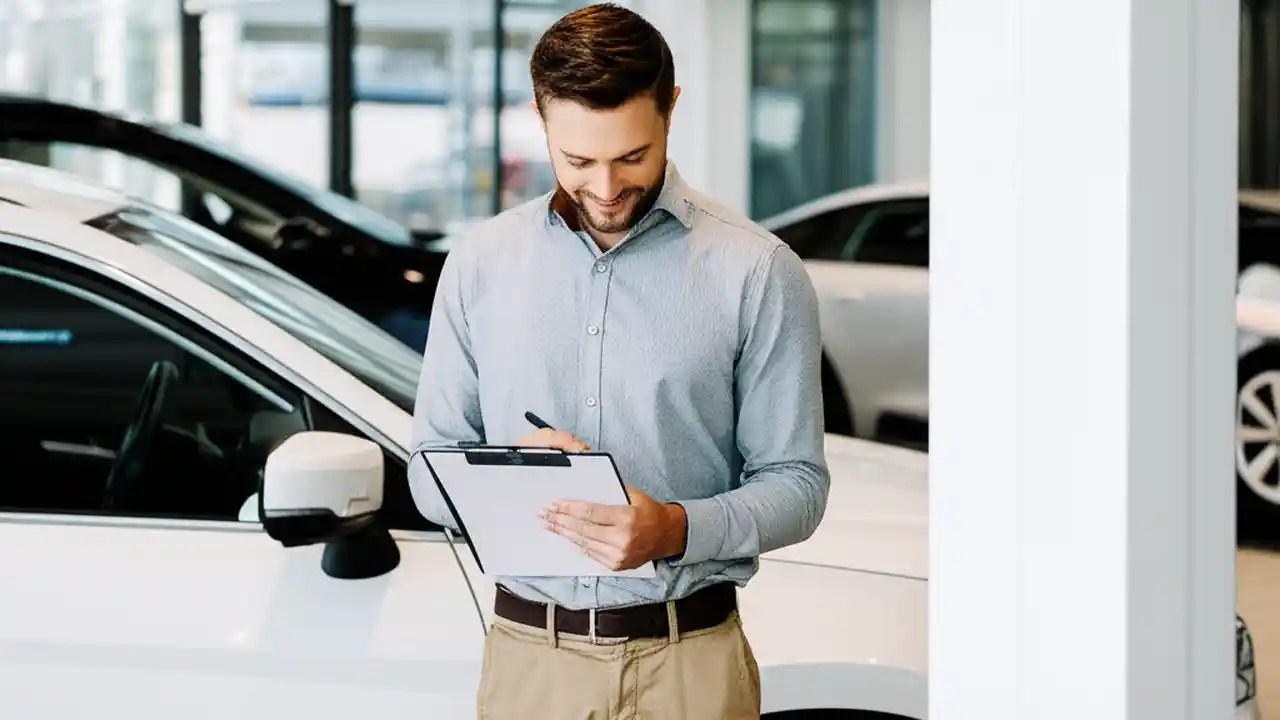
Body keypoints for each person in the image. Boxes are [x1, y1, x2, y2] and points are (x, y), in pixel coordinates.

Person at [407, 3, 830, 717]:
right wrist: (500, 468)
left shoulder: (757, 271)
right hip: (530, 664)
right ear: (541, 118)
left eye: (632, 156)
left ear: (671, 108)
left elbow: (797, 485)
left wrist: (674, 528)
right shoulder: (480, 263)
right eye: (577, 161)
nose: (605, 189)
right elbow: (426, 472)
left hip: (690, 665)